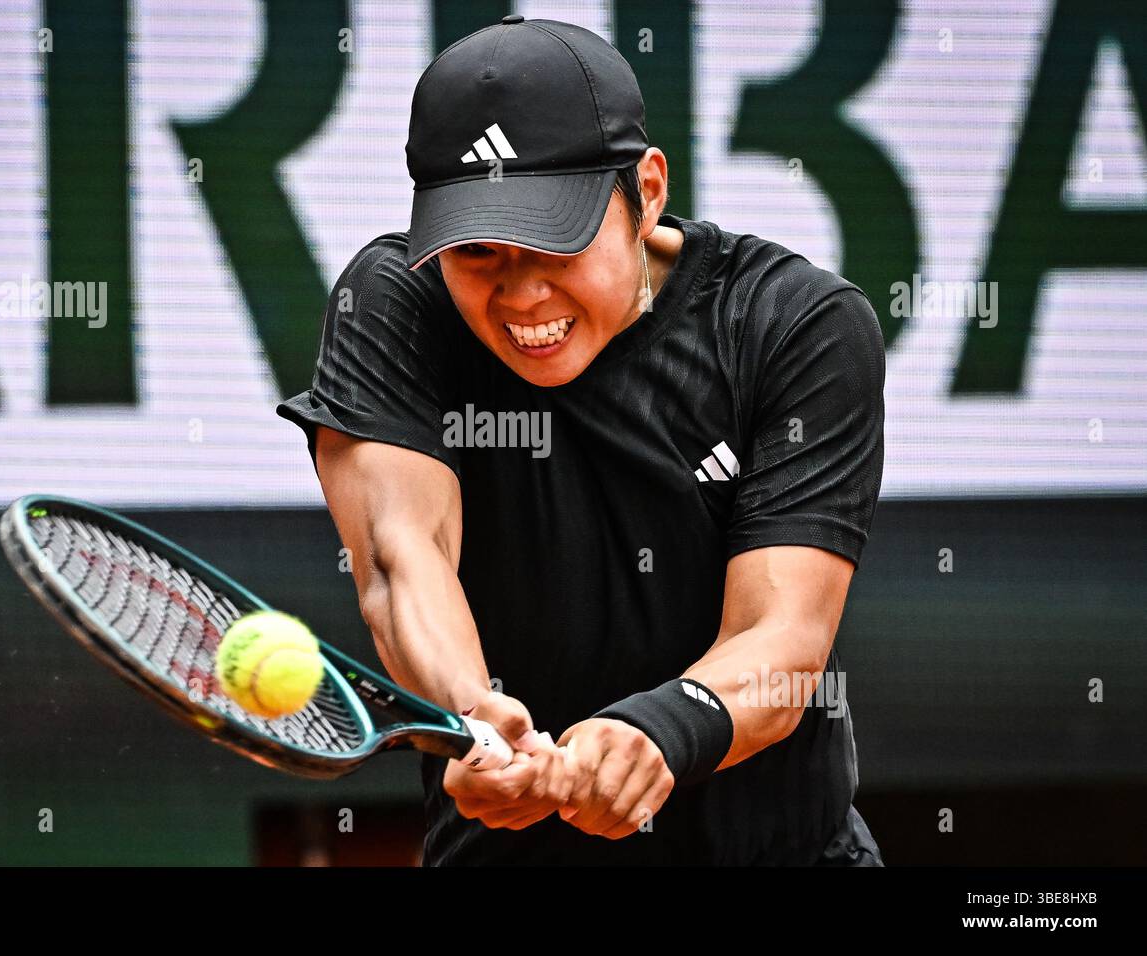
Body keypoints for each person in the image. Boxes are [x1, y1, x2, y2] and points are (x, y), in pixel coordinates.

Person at [277, 16, 886, 865]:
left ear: (648, 191)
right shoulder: (393, 305)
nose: (522, 295)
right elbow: (399, 557)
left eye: (556, 243)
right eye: (478, 251)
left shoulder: (793, 324)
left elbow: (785, 634)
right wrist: (470, 719)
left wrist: (667, 728)